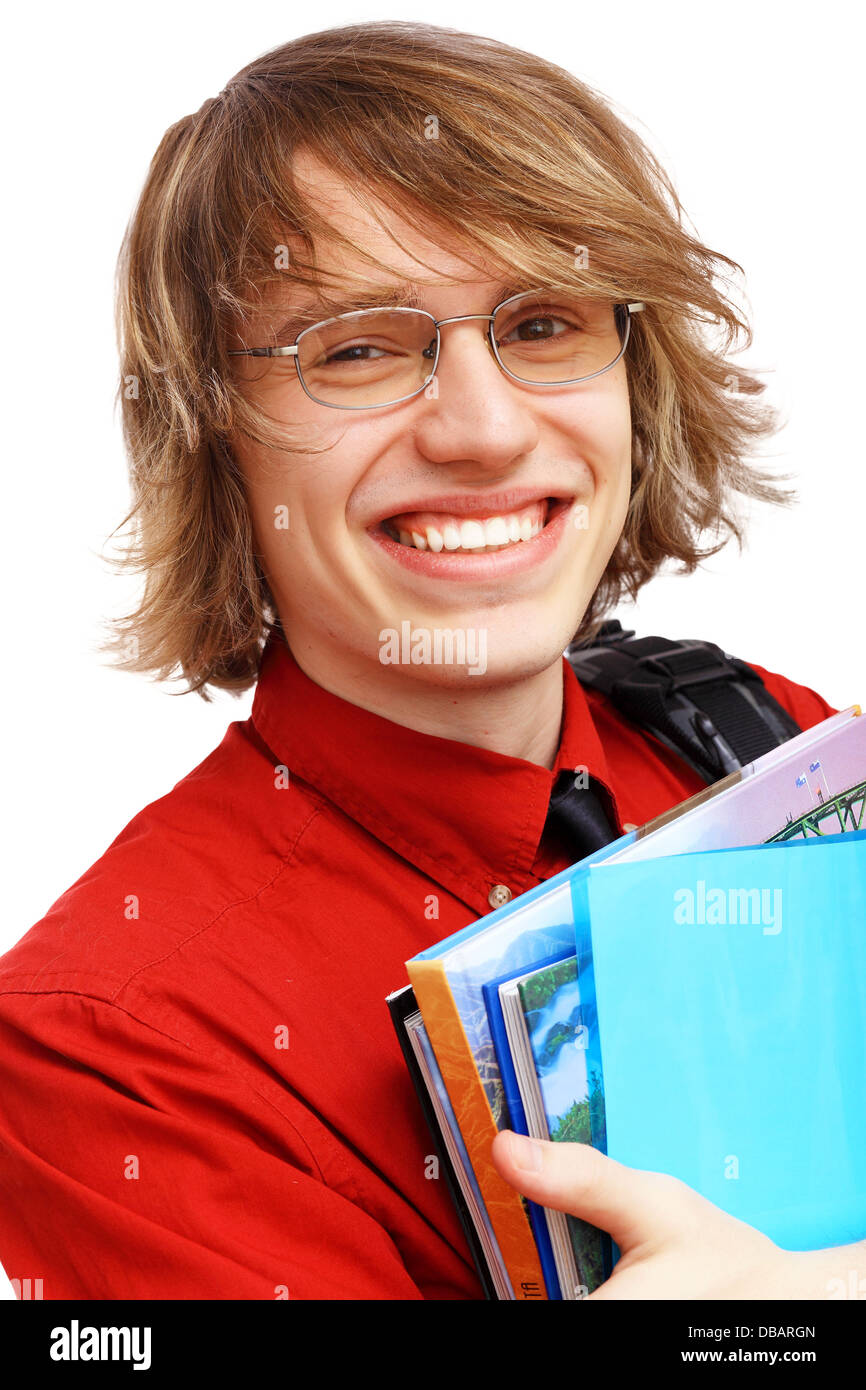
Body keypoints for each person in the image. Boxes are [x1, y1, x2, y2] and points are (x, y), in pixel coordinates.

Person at [0, 20, 860, 1302]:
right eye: (354, 346)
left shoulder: (770, 745)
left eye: (544, 322)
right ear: (212, 436)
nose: (483, 427)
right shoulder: (112, 1044)